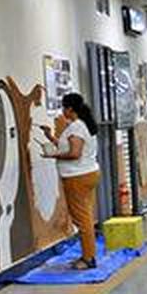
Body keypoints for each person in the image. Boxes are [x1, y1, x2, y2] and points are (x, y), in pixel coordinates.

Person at [42, 92, 101, 270]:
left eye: (63, 108)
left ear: (69, 109)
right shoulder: (83, 125)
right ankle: (88, 255)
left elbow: (75, 153)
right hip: (88, 174)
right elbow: (68, 146)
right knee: (86, 216)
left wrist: (52, 155)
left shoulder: (76, 127)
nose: (62, 111)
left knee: (82, 219)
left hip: (77, 177)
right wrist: (50, 137)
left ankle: (89, 258)